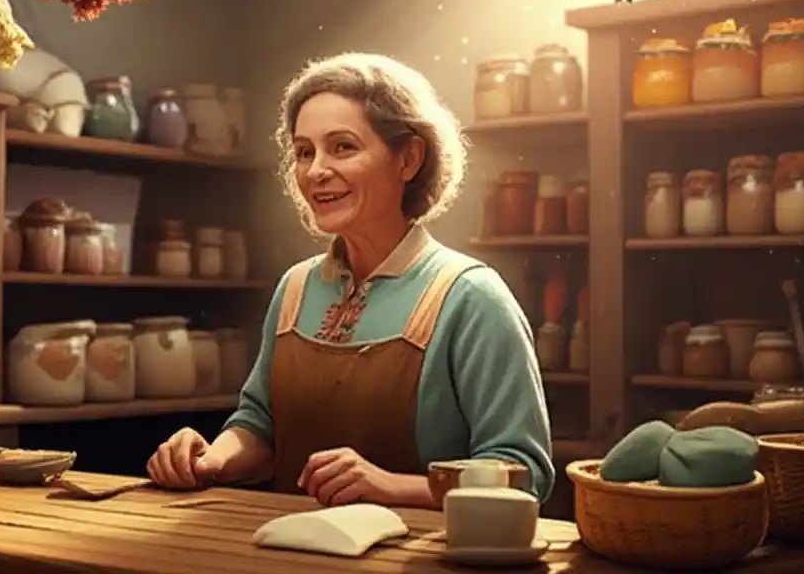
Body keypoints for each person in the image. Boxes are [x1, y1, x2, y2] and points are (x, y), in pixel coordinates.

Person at [147, 52, 554, 508]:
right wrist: (210, 459)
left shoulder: (471, 297)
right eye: (304, 152)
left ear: (409, 159)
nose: (316, 170)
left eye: (342, 146)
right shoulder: (295, 289)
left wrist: (391, 488)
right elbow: (260, 426)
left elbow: (524, 476)